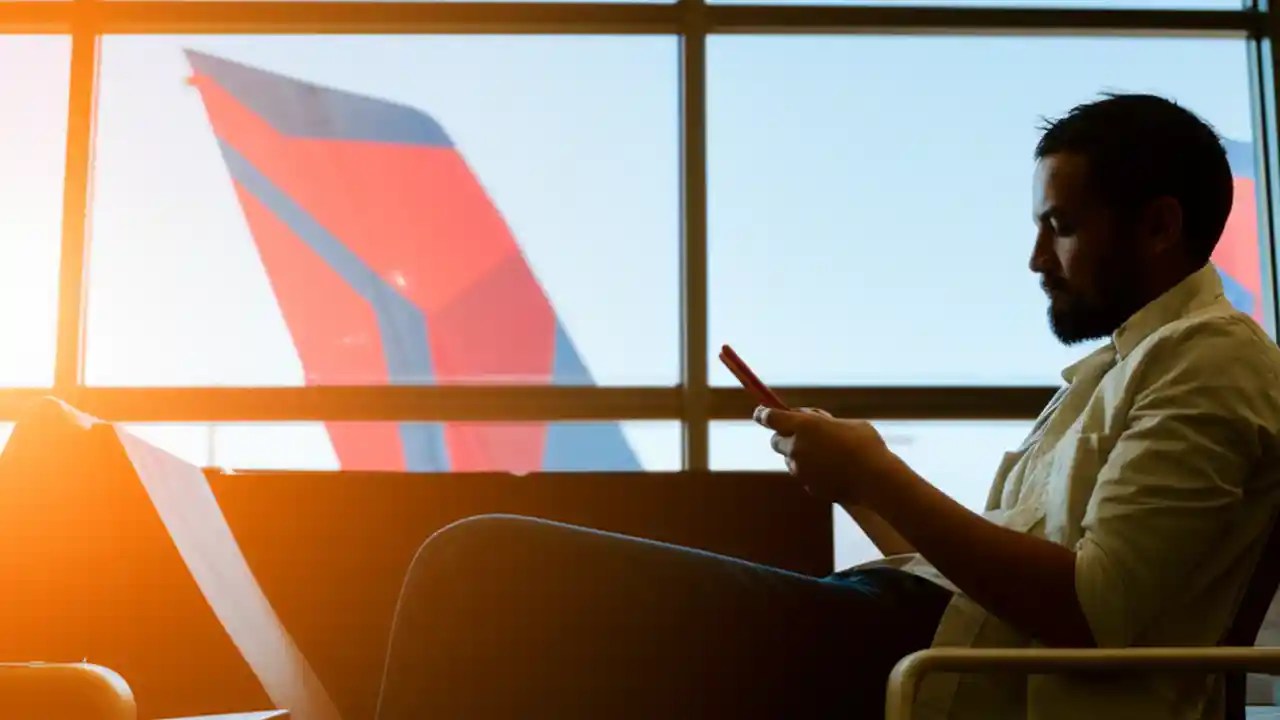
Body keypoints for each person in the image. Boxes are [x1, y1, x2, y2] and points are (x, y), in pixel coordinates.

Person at [374, 93, 1280, 720]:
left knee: (480, 569)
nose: (1037, 259)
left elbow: (1093, 613)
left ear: (1159, 227)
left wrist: (877, 467)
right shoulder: (1135, 366)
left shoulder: (1210, 363)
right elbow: (991, 586)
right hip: (907, 634)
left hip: (920, 663)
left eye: (1061, 226)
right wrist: (855, 490)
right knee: (524, 618)